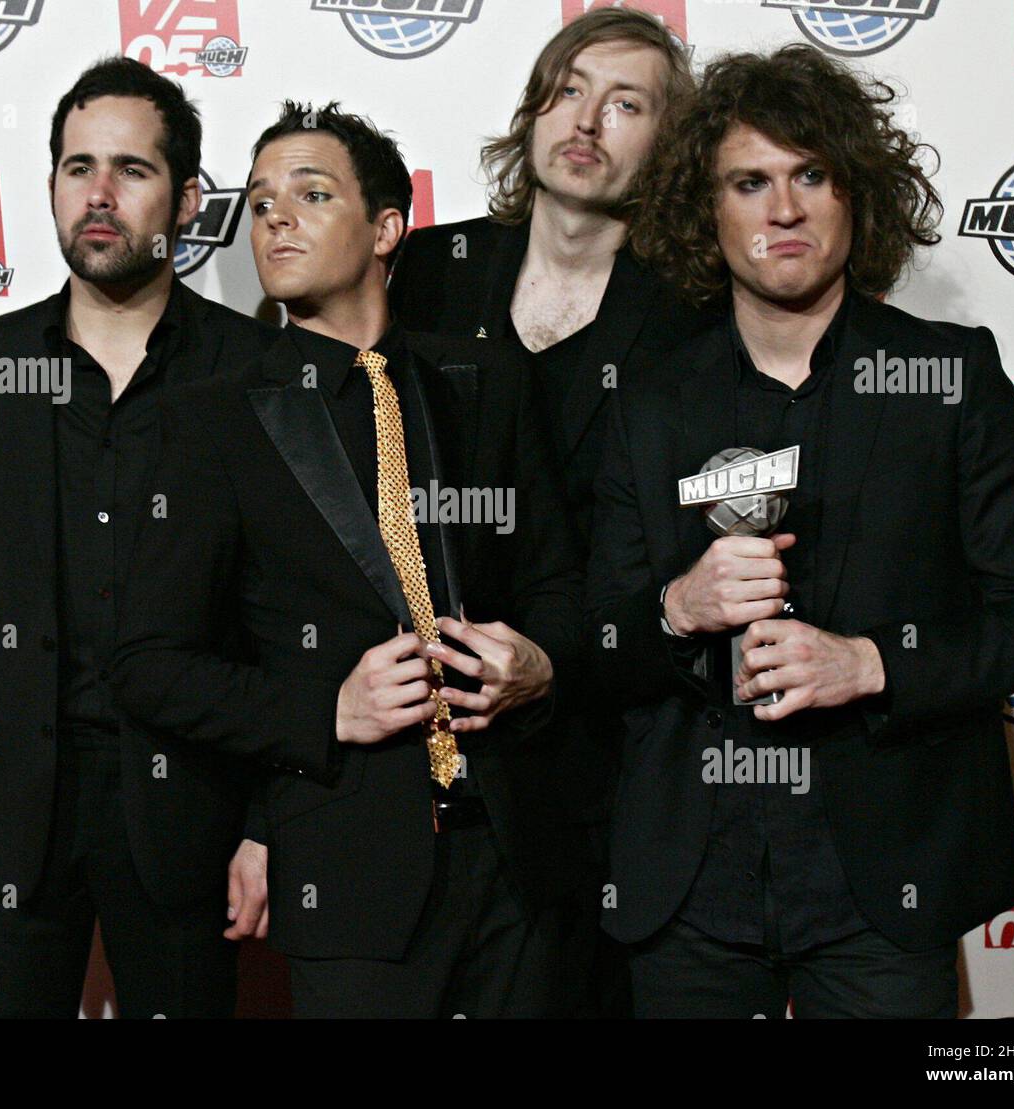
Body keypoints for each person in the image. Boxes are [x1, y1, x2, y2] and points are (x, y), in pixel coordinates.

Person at [586, 44, 1014, 1018]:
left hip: (880, 891)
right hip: (687, 894)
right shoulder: (648, 403)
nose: (782, 208)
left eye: (809, 174)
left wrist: (871, 662)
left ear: (854, 193)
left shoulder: (947, 378)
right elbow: (598, 641)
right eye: (750, 180)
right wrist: (673, 608)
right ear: (707, 208)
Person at [111, 101, 588, 1018]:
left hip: (521, 861)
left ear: (386, 228)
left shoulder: (487, 380)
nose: (275, 218)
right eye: (258, 202)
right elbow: (150, 666)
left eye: (310, 193)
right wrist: (326, 709)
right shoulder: (211, 420)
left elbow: (562, 585)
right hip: (349, 870)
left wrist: (541, 660)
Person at [0, 57, 278, 1017]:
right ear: (50, 187)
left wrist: (268, 821)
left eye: (131, 169)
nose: (101, 196)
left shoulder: (253, 369)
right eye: (78, 168)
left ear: (190, 199)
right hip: (18, 814)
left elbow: (277, 616)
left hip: (188, 810)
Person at [389, 2, 700, 1016]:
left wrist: (561, 661)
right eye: (568, 90)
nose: (585, 118)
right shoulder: (429, 273)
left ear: (666, 144)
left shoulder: (689, 314)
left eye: (624, 104)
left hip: (600, 770)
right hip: (423, 756)